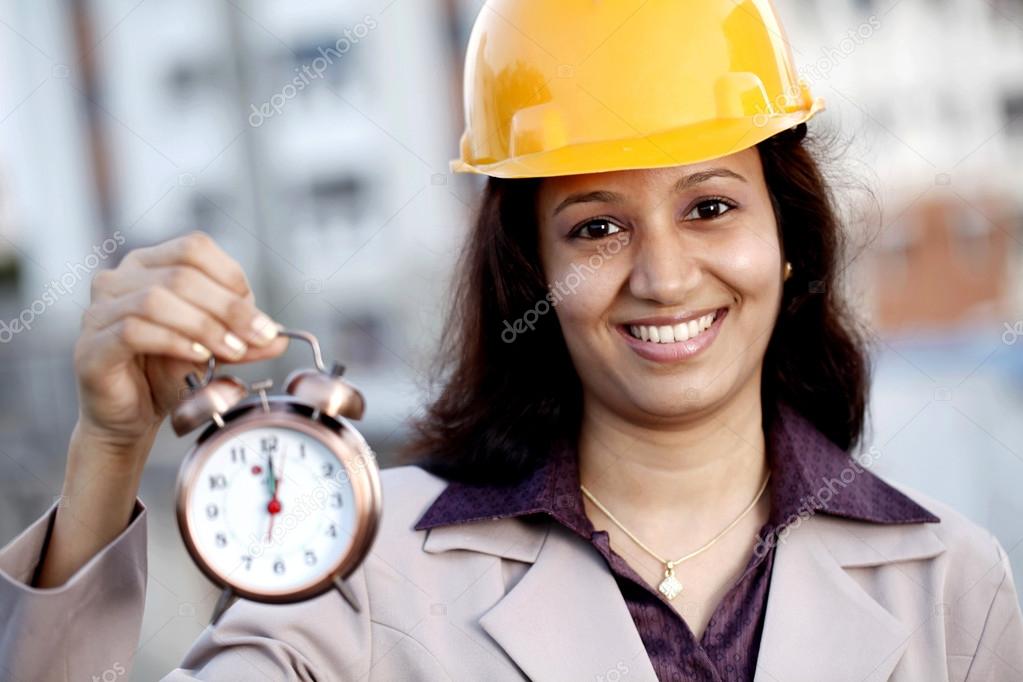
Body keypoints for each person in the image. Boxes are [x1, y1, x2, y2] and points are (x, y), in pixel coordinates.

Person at [2, 1, 1022, 680]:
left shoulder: (952, 585)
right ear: (531, 268)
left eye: (710, 207)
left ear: (787, 238)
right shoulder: (360, 566)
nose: (663, 275)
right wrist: (109, 453)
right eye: (596, 226)